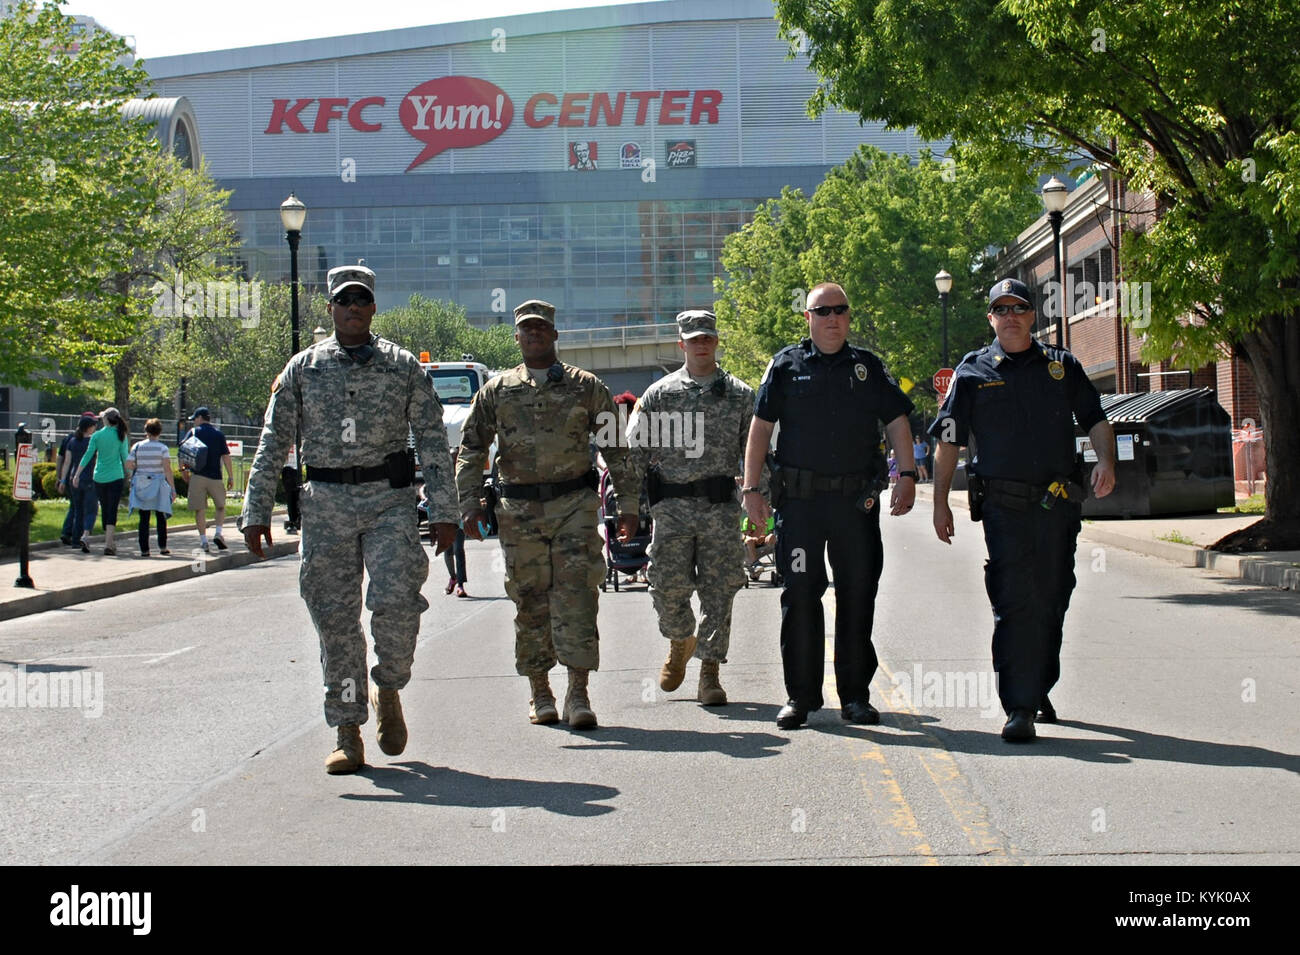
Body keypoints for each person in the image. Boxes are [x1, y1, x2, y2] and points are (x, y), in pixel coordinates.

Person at [239, 262, 459, 775]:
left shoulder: (403, 366)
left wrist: (445, 511)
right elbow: (275, 441)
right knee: (336, 623)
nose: (353, 308)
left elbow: (431, 438)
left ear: (374, 307)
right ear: (331, 307)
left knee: (397, 604)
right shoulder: (303, 369)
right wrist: (255, 510)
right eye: (344, 300)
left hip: (389, 501)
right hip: (326, 507)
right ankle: (347, 731)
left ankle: (389, 686)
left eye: (362, 300)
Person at [930, 278, 1115, 742]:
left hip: (1057, 504)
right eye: (1001, 309)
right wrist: (939, 504)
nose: (1010, 315)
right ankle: (1018, 705)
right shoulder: (971, 373)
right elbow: (948, 441)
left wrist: (1106, 461)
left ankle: (1037, 685)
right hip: (1003, 508)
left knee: (1053, 596)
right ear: (990, 318)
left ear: (1033, 315)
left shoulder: (1061, 366)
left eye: (1019, 307)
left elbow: (1095, 419)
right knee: (1014, 601)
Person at [743, 282, 917, 730]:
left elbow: (897, 420)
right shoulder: (786, 365)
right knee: (800, 595)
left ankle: (855, 696)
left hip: (854, 504)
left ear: (849, 316)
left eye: (840, 310)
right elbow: (761, 429)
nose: (832, 318)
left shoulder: (868, 367)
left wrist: (908, 476)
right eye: (823, 311)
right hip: (799, 505)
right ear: (808, 318)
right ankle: (800, 697)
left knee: (858, 594)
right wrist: (751, 490)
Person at [458, 299, 637, 730]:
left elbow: (616, 449)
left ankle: (578, 693)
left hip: (573, 507)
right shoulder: (497, 391)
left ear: (555, 335)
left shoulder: (585, 387)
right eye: (526, 329)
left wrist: (628, 505)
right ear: (516, 337)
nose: (534, 334)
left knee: (578, 596)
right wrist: (468, 503)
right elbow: (471, 449)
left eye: (542, 328)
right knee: (529, 600)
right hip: (519, 512)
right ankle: (540, 691)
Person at [624, 309, 755, 706]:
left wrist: (758, 497)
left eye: (707, 338)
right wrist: (629, 505)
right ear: (680, 344)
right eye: (693, 339)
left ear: (716, 341)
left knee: (720, 591)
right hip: (673, 508)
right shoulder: (659, 395)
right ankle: (680, 640)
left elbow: (756, 452)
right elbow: (634, 452)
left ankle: (709, 674)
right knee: (666, 585)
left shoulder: (740, 395)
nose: (701, 344)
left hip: (720, 509)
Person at [72, 408, 130, 556]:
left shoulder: (97, 436)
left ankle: (109, 541)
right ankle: (109, 543)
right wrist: (130, 474)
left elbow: (87, 456)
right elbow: (125, 457)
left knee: (105, 508)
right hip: (116, 476)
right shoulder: (121, 435)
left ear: (105, 420)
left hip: (99, 477)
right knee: (112, 509)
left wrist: (77, 474)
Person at [181, 407, 234, 553]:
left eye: (195, 419)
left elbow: (183, 452)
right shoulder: (218, 434)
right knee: (220, 506)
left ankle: (203, 541)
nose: (194, 423)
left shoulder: (193, 432)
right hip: (215, 476)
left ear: (200, 418)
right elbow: (226, 456)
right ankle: (218, 533)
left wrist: (183, 470)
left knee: (200, 509)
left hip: (197, 476)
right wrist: (230, 475)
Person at [125, 418, 176, 557]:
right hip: (158, 483)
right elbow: (167, 469)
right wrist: (172, 488)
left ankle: (144, 549)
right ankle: (163, 546)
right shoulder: (163, 448)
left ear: (146, 431)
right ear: (159, 432)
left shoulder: (137, 446)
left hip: (142, 483)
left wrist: (138, 467)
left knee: (144, 517)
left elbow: (128, 464)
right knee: (161, 515)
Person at [57, 415, 99, 548]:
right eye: (93, 425)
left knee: (77, 509)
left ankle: (75, 539)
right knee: (91, 510)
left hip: (73, 478)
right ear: (89, 428)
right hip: (89, 478)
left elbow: (67, 463)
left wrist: (62, 480)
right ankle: (85, 535)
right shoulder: (93, 441)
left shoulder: (72, 441)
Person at [441, 450, 468, 597]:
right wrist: (425, 498)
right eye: (451, 458)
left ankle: (460, 585)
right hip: (445, 519)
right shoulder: (442, 475)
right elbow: (424, 488)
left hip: (459, 519)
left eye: (456, 458)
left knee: (459, 550)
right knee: (448, 551)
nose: (453, 460)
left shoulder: (463, 475)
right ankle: (453, 577)